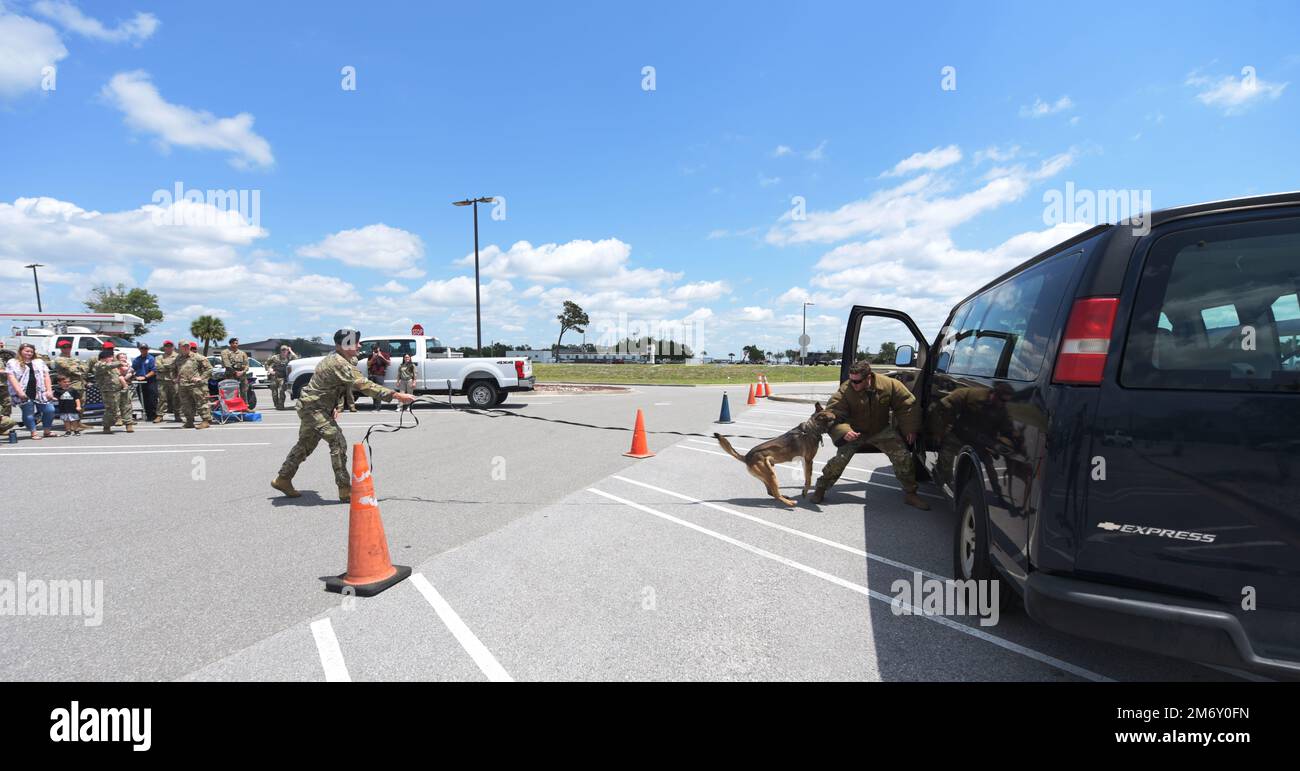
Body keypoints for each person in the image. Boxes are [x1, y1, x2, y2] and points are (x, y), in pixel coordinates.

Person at [272, 329, 416, 501]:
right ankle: (345, 489)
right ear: (343, 345)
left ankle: (283, 478)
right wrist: (396, 395)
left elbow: (340, 383)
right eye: (355, 342)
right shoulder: (338, 363)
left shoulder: (343, 358)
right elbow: (363, 384)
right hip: (314, 409)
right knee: (337, 442)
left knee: (305, 445)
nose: (359, 345)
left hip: (315, 407)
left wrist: (336, 406)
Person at [810, 360, 930, 510]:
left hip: (881, 430)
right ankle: (821, 488)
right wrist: (844, 432)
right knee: (839, 460)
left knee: (903, 456)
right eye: (851, 380)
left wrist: (910, 429)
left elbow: (906, 405)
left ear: (868, 377)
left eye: (857, 381)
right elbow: (833, 414)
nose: (853, 384)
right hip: (854, 431)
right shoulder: (845, 391)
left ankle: (911, 493)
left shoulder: (889, 385)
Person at [6, 343, 57, 440]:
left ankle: (47, 431)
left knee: (50, 410)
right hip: (24, 391)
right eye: (26, 351)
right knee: (28, 412)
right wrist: (19, 392)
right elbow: (11, 377)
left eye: (31, 351)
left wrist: (49, 390)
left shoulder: (39, 361)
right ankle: (33, 432)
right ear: (21, 351)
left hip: (40, 391)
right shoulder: (12, 362)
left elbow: (46, 376)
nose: (29, 353)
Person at [91, 348, 133, 433]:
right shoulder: (98, 365)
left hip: (120, 389)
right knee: (111, 409)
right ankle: (107, 426)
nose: (112, 359)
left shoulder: (113, 366)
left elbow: (120, 375)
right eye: (111, 357)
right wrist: (119, 363)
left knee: (126, 406)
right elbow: (107, 366)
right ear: (105, 357)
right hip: (109, 391)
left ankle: (129, 424)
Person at [175, 342, 213, 429]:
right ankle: (189, 421)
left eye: (187, 346)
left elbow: (209, 369)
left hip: (197, 385)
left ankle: (205, 421)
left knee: (201, 403)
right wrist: (177, 378)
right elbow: (178, 369)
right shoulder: (178, 358)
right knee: (186, 404)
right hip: (183, 385)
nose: (185, 348)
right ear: (179, 348)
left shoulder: (197, 357)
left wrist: (201, 377)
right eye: (183, 347)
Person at [154, 341, 181, 423]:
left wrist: (167, 366)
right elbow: (159, 367)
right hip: (162, 381)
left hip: (174, 380)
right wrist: (171, 366)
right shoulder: (159, 357)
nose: (168, 347)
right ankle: (160, 415)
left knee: (176, 398)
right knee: (162, 398)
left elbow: (179, 367)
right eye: (166, 346)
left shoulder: (178, 356)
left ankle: (177, 415)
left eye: (170, 346)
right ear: (164, 347)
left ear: (173, 347)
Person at [264, 344, 296, 410]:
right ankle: (276, 405)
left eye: (286, 350)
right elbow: (266, 363)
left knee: (282, 391)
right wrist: (269, 370)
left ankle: (281, 405)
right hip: (275, 377)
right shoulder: (275, 357)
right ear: (280, 351)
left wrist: (291, 350)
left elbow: (296, 358)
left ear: (287, 351)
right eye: (283, 350)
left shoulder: (289, 358)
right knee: (274, 393)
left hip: (283, 377)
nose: (284, 351)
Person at [220, 337, 251, 404]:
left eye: (237, 343)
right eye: (234, 343)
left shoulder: (242, 353)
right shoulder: (225, 352)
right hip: (230, 375)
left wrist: (242, 372)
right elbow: (227, 364)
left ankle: (244, 407)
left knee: (244, 391)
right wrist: (235, 372)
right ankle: (233, 407)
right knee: (231, 392)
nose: (235, 344)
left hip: (242, 375)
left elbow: (247, 365)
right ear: (230, 344)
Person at [132, 342, 159, 422]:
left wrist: (145, 377)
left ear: (148, 349)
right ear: (139, 349)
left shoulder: (151, 358)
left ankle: (154, 416)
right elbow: (133, 369)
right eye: (142, 348)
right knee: (143, 399)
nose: (143, 350)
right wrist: (133, 376)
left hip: (150, 381)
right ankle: (148, 415)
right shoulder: (137, 359)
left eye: (145, 348)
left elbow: (154, 370)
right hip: (140, 382)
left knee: (152, 399)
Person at [366, 342, 391, 410]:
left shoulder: (385, 354)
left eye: (375, 348)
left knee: (378, 391)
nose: (374, 350)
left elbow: (389, 363)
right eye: (373, 349)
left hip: (380, 375)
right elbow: (368, 364)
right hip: (372, 375)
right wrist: (373, 358)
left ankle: (378, 407)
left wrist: (381, 356)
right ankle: (375, 405)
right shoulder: (371, 355)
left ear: (379, 348)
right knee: (373, 391)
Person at [115, 351, 136, 426]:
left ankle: (128, 419)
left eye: (124, 357)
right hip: (117, 386)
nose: (123, 359)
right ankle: (119, 419)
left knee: (128, 403)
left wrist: (129, 374)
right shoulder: (116, 365)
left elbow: (131, 371)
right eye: (121, 357)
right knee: (118, 403)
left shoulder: (128, 365)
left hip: (127, 384)